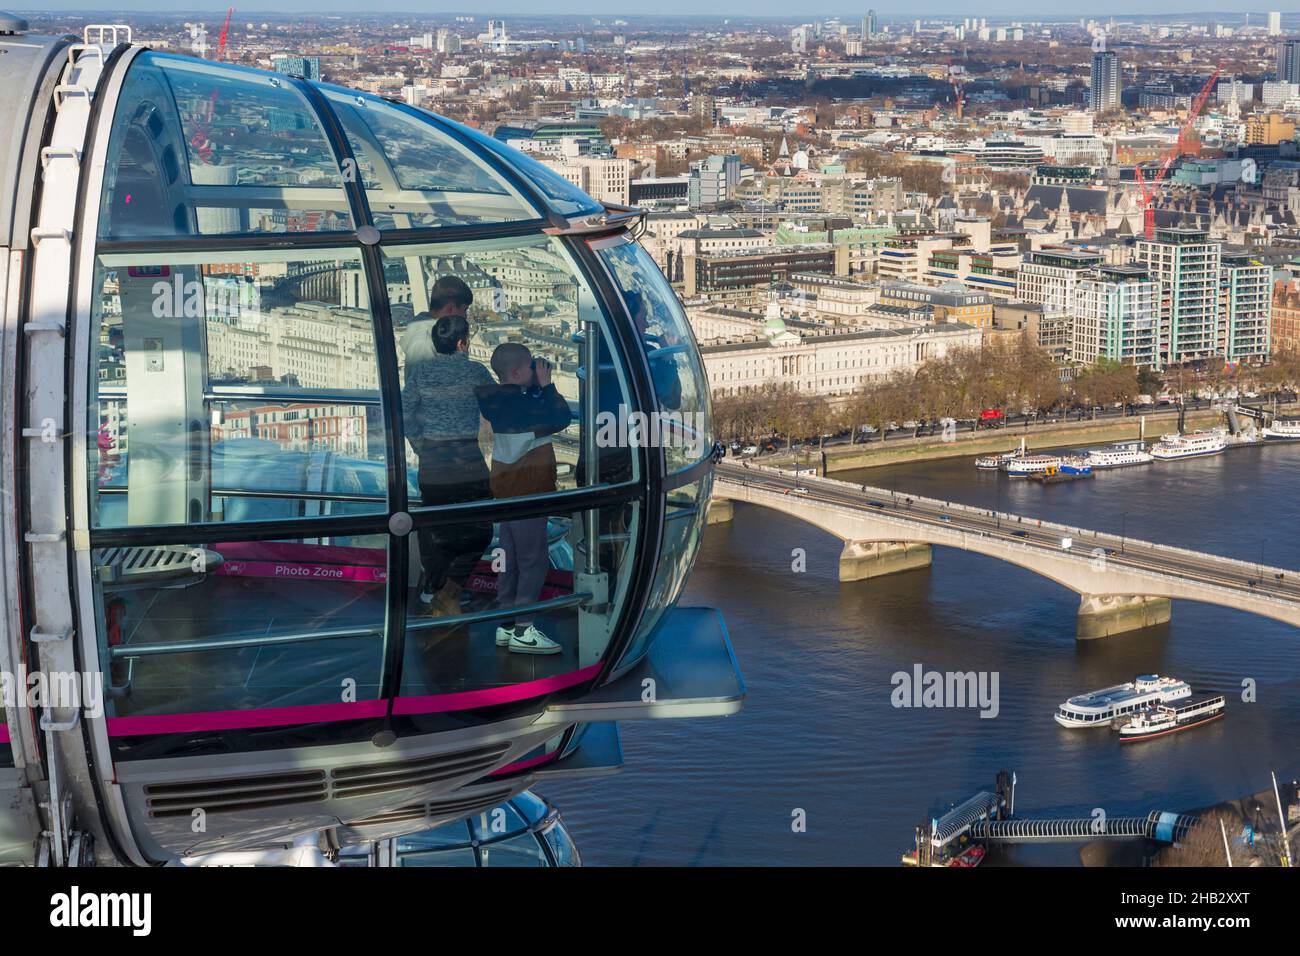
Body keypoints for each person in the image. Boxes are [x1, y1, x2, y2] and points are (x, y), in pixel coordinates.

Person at [400, 278, 495, 617]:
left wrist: (419, 442)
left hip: (433, 456)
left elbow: (404, 411)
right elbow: (496, 407)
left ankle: (436, 589)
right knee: (482, 526)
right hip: (466, 456)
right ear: (462, 342)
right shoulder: (475, 372)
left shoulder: (420, 371)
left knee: (435, 523)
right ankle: (450, 590)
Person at [476, 343, 572, 655]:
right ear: (516, 373)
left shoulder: (500, 401)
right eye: (531, 366)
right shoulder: (525, 406)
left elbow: (536, 410)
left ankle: (506, 624)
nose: (536, 369)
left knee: (512, 558)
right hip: (528, 487)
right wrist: (548, 385)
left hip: (506, 488)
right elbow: (560, 417)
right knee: (533, 559)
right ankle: (524, 629)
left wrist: (536, 386)